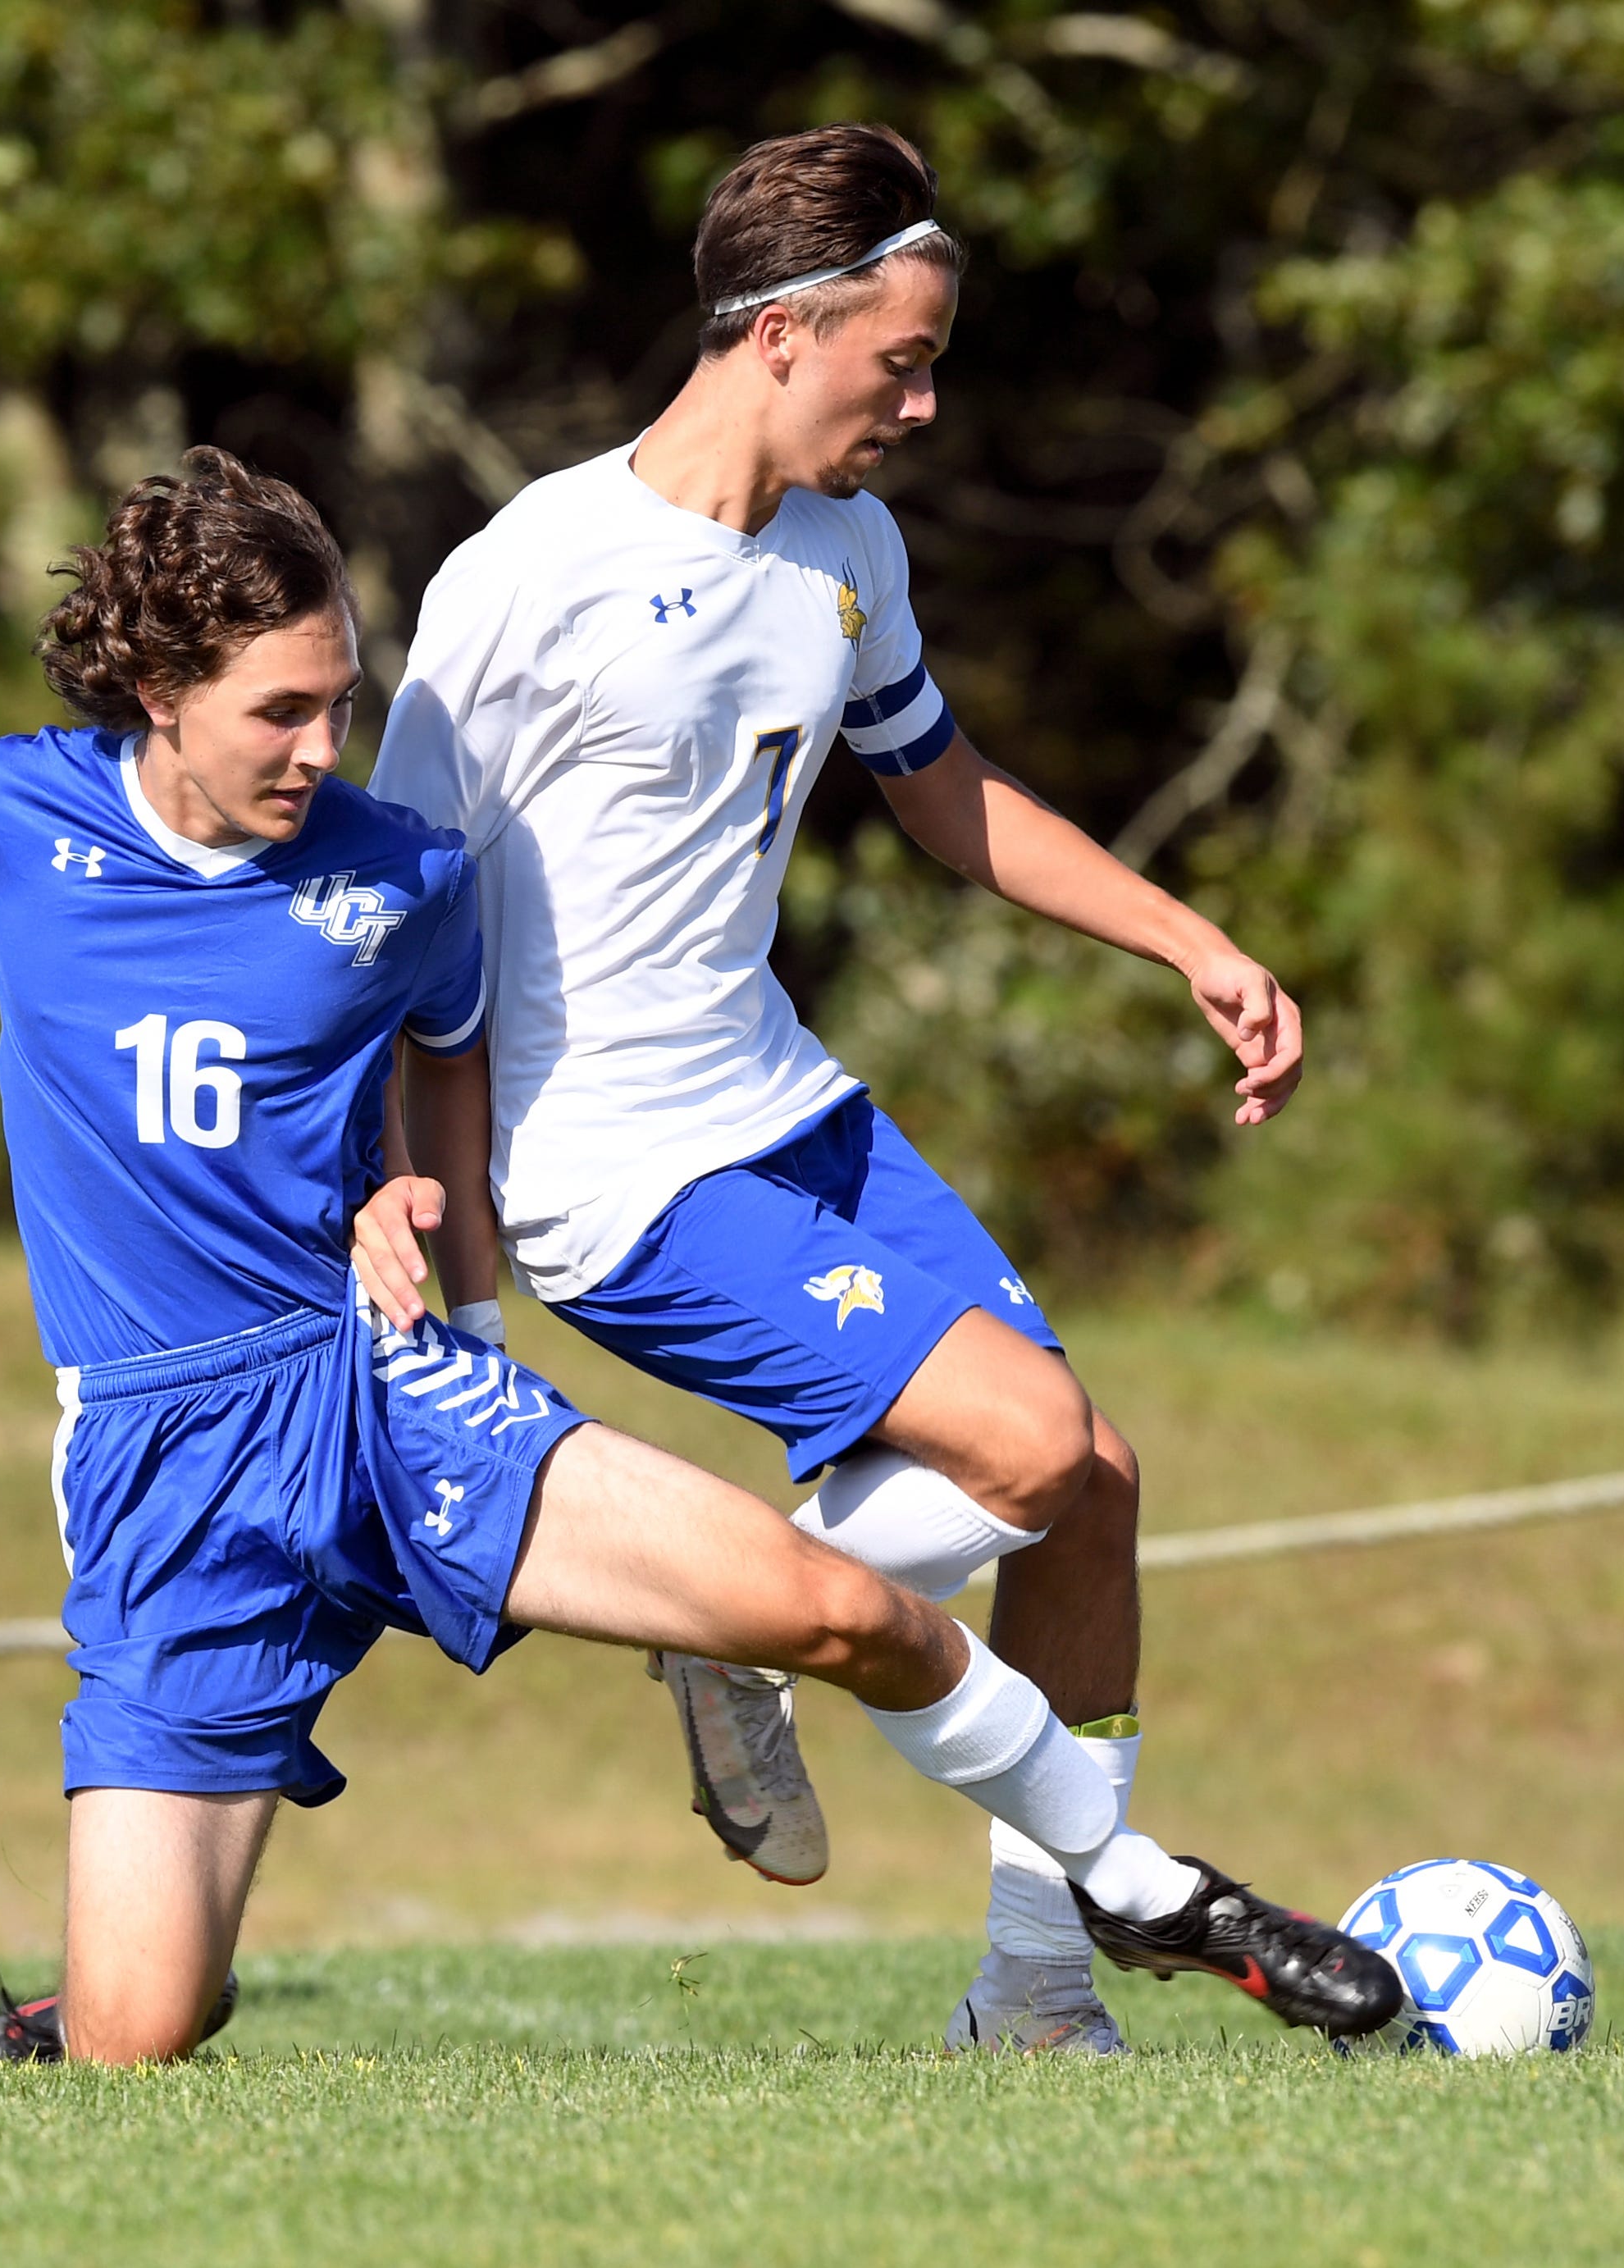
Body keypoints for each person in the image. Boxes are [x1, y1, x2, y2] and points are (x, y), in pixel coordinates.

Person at [0, 452, 1394, 2063]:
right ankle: (108, 1983)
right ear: (154, 690)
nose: (321, 744)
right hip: (159, 1455)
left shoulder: (401, 871)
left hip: (385, 1389)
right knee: (139, 2030)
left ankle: (1148, 1886)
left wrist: (411, 1224)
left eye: (340, 697)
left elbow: (438, 1067)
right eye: (280, 708)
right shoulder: (20, 811)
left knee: (834, 1604)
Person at [361, 123, 1313, 2056]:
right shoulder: (524, 575)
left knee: (1094, 1487)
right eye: (899, 356)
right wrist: (422, 1231)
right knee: (1024, 1449)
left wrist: (1182, 938)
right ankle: (751, 1624)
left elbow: (941, 795)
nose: (924, 398)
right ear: (782, 331)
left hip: (786, 1108)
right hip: (609, 1176)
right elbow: (386, 930)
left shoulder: (844, 553)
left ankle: (1034, 1994)